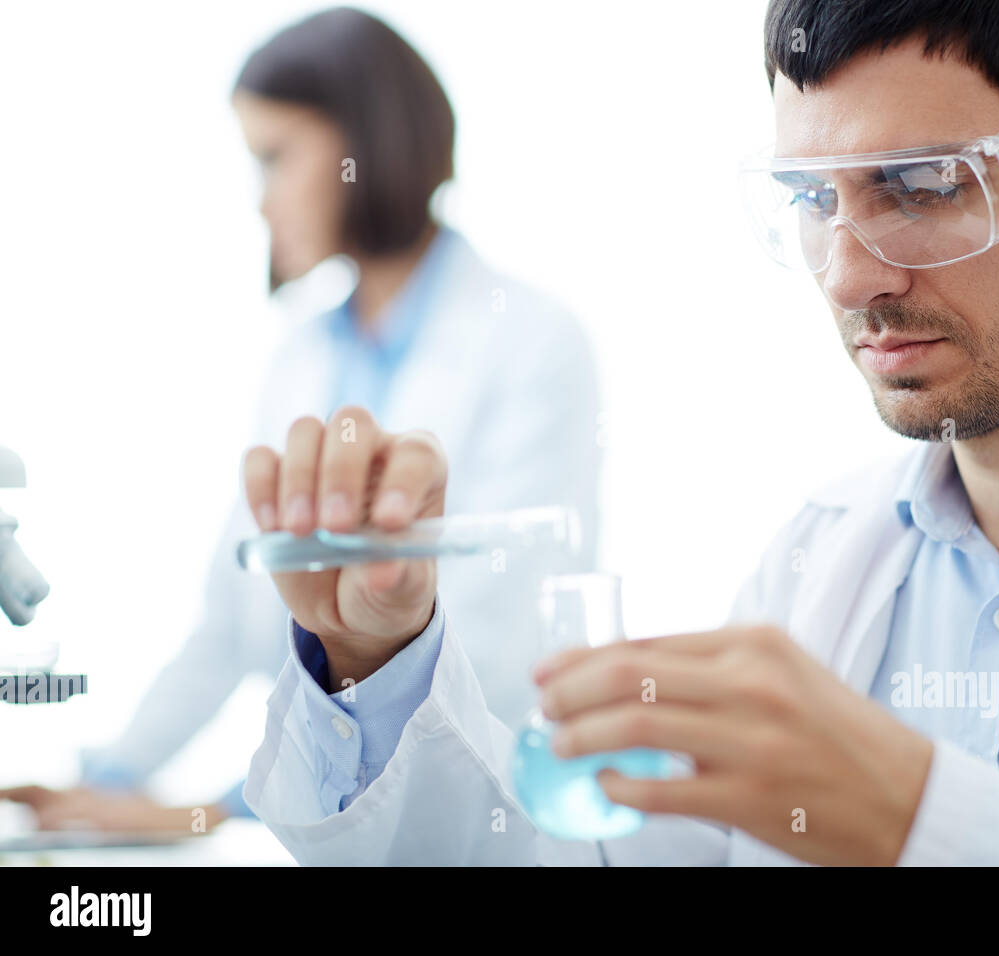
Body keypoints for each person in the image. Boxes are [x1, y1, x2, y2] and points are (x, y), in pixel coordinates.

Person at [239, 0, 999, 865]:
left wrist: (916, 815)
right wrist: (374, 661)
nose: (846, 273)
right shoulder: (818, 560)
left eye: (924, 184)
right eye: (810, 196)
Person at [0, 8, 599, 834]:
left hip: (480, 818)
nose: (262, 201)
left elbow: (481, 655)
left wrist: (209, 815)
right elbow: (230, 619)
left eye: (275, 158)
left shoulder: (530, 341)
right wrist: (102, 784)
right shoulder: (302, 361)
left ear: (367, 145)